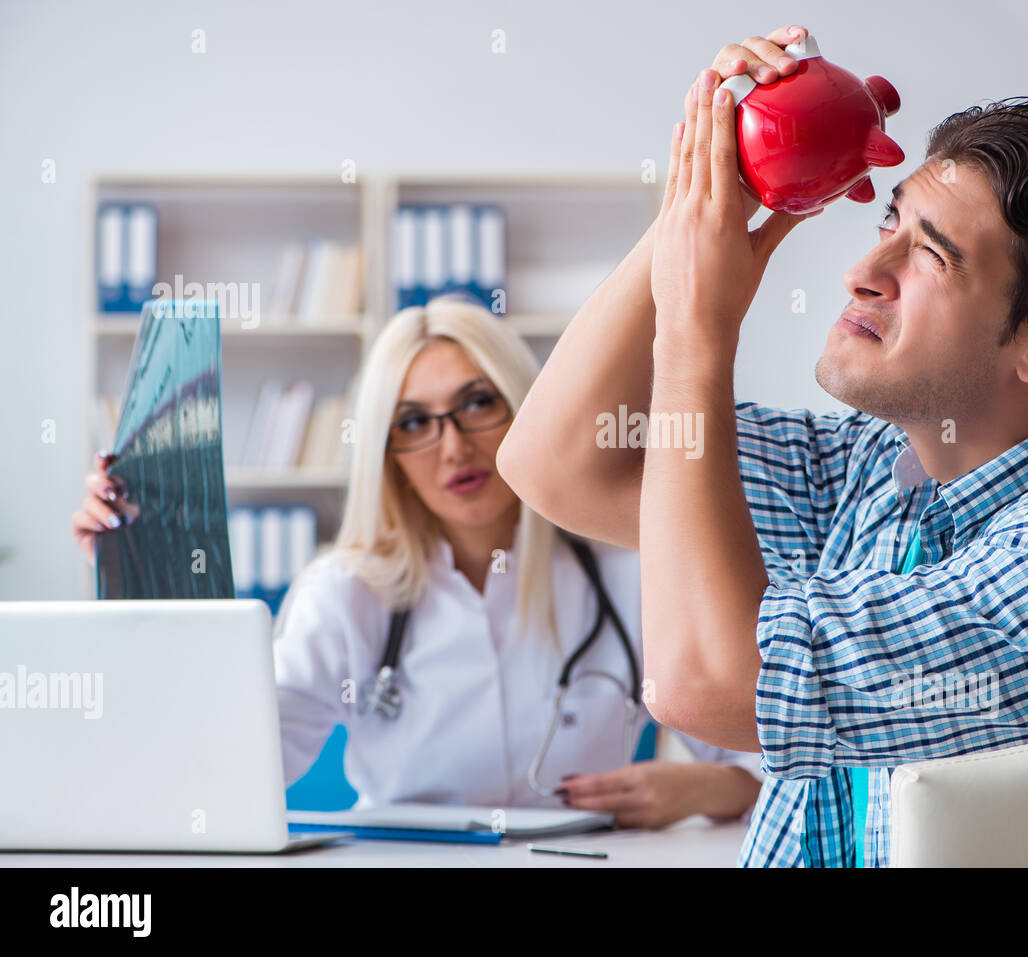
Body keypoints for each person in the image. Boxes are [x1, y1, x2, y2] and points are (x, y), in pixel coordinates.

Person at [496, 24, 1028, 866]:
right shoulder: (879, 468)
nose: (865, 270)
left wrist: (697, 326)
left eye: (931, 257)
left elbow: (705, 683)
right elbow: (559, 460)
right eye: (892, 220)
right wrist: (701, 197)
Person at [72, 295, 763, 828]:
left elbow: (768, 755)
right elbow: (219, 765)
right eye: (413, 422)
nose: (453, 446)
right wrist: (137, 586)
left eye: (477, 403)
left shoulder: (627, 573)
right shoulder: (344, 594)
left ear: (528, 409)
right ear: (387, 454)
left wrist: (711, 785)